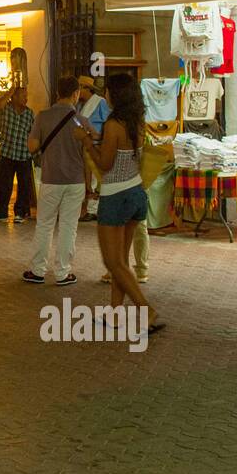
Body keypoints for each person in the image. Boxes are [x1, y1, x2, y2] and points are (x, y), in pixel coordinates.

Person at [78, 73, 164, 333]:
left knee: (112, 262)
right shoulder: (136, 122)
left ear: (116, 95)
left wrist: (85, 142)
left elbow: (105, 165)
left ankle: (144, 308)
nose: (105, 95)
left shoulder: (113, 124)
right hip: (136, 193)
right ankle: (114, 314)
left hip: (115, 196)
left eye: (108, 91)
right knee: (121, 261)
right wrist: (95, 138)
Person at [22, 76, 85, 287]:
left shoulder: (43, 116)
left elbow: (32, 146)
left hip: (50, 179)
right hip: (76, 181)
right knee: (69, 226)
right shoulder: (81, 120)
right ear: (76, 94)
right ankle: (63, 273)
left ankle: (38, 270)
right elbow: (89, 151)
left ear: (57, 92)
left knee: (45, 225)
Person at [0, 86, 36, 224]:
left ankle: (20, 213)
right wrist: (10, 92)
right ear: (14, 97)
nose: (25, 99)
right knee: (4, 185)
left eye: (26, 96)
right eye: (22, 96)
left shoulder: (30, 114)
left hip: (23, 155)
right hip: (8, 153)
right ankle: (1, 213)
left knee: (24, 186)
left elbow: (33, 133)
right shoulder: (7, 110)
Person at [76, 75, 111, 221]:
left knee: (95, 178)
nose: (78, 92)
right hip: (84, 145)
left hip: (96, 145)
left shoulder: (100, 102)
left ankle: (94, 209)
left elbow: (108, 122)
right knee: (87, 177)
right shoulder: (79, 105)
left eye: (79, 88)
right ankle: (90, 208)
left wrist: (99, 136)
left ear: (87, 89)